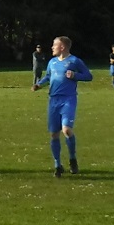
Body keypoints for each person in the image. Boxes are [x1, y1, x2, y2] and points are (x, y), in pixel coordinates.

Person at [33, 35, 93, 176]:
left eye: (54, 45)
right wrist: (39, 84)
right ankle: (57, 165)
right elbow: (48, 76)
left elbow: (88, 76)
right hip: (53, 100)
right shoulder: (52, 62)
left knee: (66, 130)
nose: (52, 47)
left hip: (68, 99)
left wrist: (75, 76)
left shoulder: (74, 61)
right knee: (54, 134)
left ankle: (72, 159)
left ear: (62, 47)